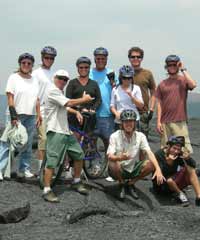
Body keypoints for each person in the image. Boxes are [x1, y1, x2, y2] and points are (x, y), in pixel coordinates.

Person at [43, 69, 94, 203]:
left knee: (79, 155)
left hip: (65, 131)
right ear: (54, 78)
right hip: (55, 131)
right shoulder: (52, 90)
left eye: (65, 79)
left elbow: (64, 106)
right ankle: (47, 190)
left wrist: (75, 112)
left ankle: (76, 181)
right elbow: (68, 103)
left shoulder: (59, 92)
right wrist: (84, 100)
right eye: (60, 78)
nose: (63, 81)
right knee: (52, 162)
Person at [107, 109, 165, 199]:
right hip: (119, 169)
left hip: (133, 167)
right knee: (113, 162)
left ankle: (131, 183)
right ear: (121, 123)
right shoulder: (114, 136)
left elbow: (149, 152)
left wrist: (158, 169)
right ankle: (121, 183)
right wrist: (120, 157)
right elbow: (109, 155)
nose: (128, 124)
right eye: (126, 121)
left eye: (131, 121)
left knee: (151, 164)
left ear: (135, 123)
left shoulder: (140, 136)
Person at [5, 53, 42, 178]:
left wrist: (39, 115)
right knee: (9, 143)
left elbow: (37, 99)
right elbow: (10, 97)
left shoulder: (34, 80)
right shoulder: (13, 77)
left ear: (32, 65)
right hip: (16, 115)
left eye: (29, 63)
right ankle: (3, 169)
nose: (26, 65)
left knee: (27, 144)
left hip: (31, 116)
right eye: (24, 63)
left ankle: (24, 169)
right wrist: (13, 116)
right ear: (20, 64)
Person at [156, 55, 196, 153]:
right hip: (165, 122)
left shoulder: (183, 80)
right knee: (165, 150)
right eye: (170, 65)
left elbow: (193, 85)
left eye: (175, 64)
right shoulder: (162, 84)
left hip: (179, 121)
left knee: (184, 150)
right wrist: (158, 121)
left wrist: (183, 69)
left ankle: (185, 168)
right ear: (166, 67)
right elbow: (159, 104)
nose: (172, 67)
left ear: (178, 66)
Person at [153, 136, 200, 206]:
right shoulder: (159, 154)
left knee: (190, 169)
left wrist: (188, 158)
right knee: (169, 180)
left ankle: (199, 196)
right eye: (174, 148)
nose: (176, 151)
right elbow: (161, 176)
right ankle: (180, 194)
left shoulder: (179, 154)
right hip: (163, 187)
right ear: (168, 146)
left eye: (178, 149)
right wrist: (169, 163)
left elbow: (193, 165)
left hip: (175, 180)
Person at [32, 46, 57, 175]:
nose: (49, 60)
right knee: (43, 140)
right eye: (46, 57)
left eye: (51, 58)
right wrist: (38, 114)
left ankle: (48, 169)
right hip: (41, 109)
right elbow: (35, 95)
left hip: (52, 110)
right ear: (42, 57)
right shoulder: (36, 73)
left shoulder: (54, 74)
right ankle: (40, 170)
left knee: (52, 140)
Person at [66, 56, 101, 137]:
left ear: (89, 68)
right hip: (74, 117)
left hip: (90, 118)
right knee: (76, 142)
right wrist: (80, 108)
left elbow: (98, 100)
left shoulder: (94, 84)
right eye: (81, 67)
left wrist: (93, 109)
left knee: (88, 143)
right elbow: (68, 101)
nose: (83, 69)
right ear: (77, 68)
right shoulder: (72, 83)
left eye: (86, 67)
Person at [89, 47, 116, 148]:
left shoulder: (111, 73)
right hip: (92, 114)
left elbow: (116, 90)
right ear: (94, 59)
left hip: (107, 115)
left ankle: (108, 164)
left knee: (109, 144)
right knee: (91, 144)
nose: (100, 61)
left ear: (106, 59)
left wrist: (113, 83)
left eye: (103, 58)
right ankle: (91, 164)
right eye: (98, 58)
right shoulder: (89, 73)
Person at [128, 47, 156, 138]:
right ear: (129, 58)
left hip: (143, 113)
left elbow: (153, 92)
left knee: (143, 143)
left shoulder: (147, 73)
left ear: (141, 58)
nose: (135, 59)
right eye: (133, 57)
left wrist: (151, 109)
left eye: (138, 57)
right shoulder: (125, 73)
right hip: (127, 113)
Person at [110, 65, 144, 130]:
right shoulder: (115, 89)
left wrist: (132, 97)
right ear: (121, 77)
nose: (127, 80)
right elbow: (112, 106)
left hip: (134, 120)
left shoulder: (136, 88)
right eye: (124, 78)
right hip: (120, 121)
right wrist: (116, 113)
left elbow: (141, 105)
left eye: (129, 78)